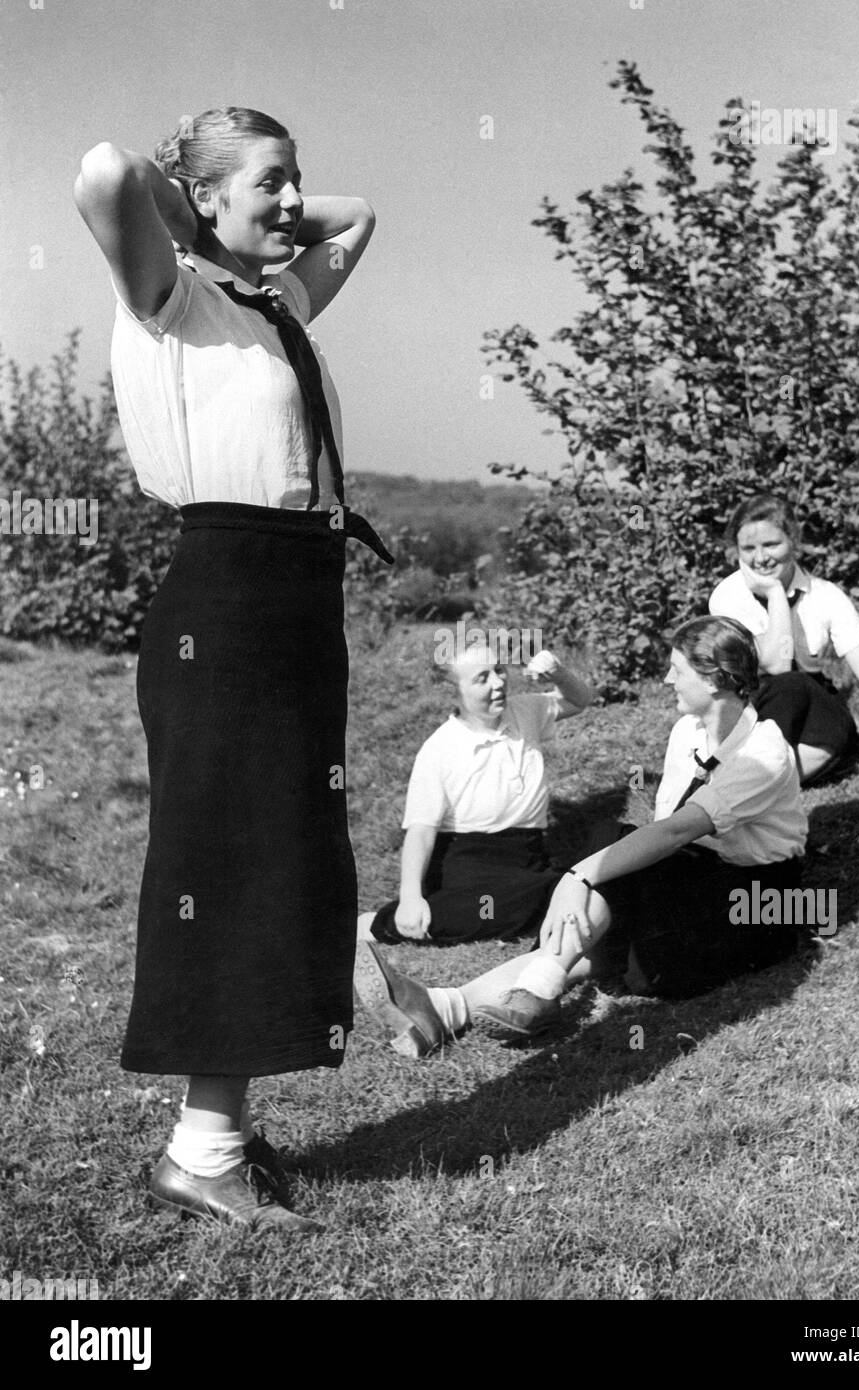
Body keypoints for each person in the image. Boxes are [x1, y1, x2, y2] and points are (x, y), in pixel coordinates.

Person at [74, 107, 392, 1230]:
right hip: (223, 597)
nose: (297, 200)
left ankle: (220, 1137)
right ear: (201, 196)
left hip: (297, 599)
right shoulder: (169, 298)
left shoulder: (275, 304)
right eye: (270, 181)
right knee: (228, 861)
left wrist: (267, 200)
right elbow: (103, 170)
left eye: (296, 177)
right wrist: (189, 207)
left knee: (284, 860)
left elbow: (361, 218)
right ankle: (199, 1152)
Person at [353, 616, 809, 1054]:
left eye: (676, 670)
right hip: (700, 875)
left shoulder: (763, 753)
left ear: (712, 680)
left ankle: (514, 987)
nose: (667, 680)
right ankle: (458, 1004)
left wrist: (577, 877)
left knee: (623, 904)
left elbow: (676, 829)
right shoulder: (686, 731)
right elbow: (665, 832)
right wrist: (596, 876)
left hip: (754, 904)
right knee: (611, 862)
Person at [357, 644, 595, 948]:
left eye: (498, 670)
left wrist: (558, 674)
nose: (498, 683)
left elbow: (580, 700)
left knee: (595, 861)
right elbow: (420, 832)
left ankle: (548, 892)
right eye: (482, 679)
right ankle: (383, 924)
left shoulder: (527, 710)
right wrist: (410, 897)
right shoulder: (440, 749)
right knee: (491, 907)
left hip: (528, 852)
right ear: (454, 692)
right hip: (470, 859)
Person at [708, 493, 859, 785]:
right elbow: (776, 665)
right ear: (737, 551)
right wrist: (775, 593)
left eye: (771, 544)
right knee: (790, 685)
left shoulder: (826, 595)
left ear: (793, 541)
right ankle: (748, 783)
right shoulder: (728, 595)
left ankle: (757, 784)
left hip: (809, 696)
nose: (760, 558)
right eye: (748, 548)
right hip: (753, 700)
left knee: (840, 726)